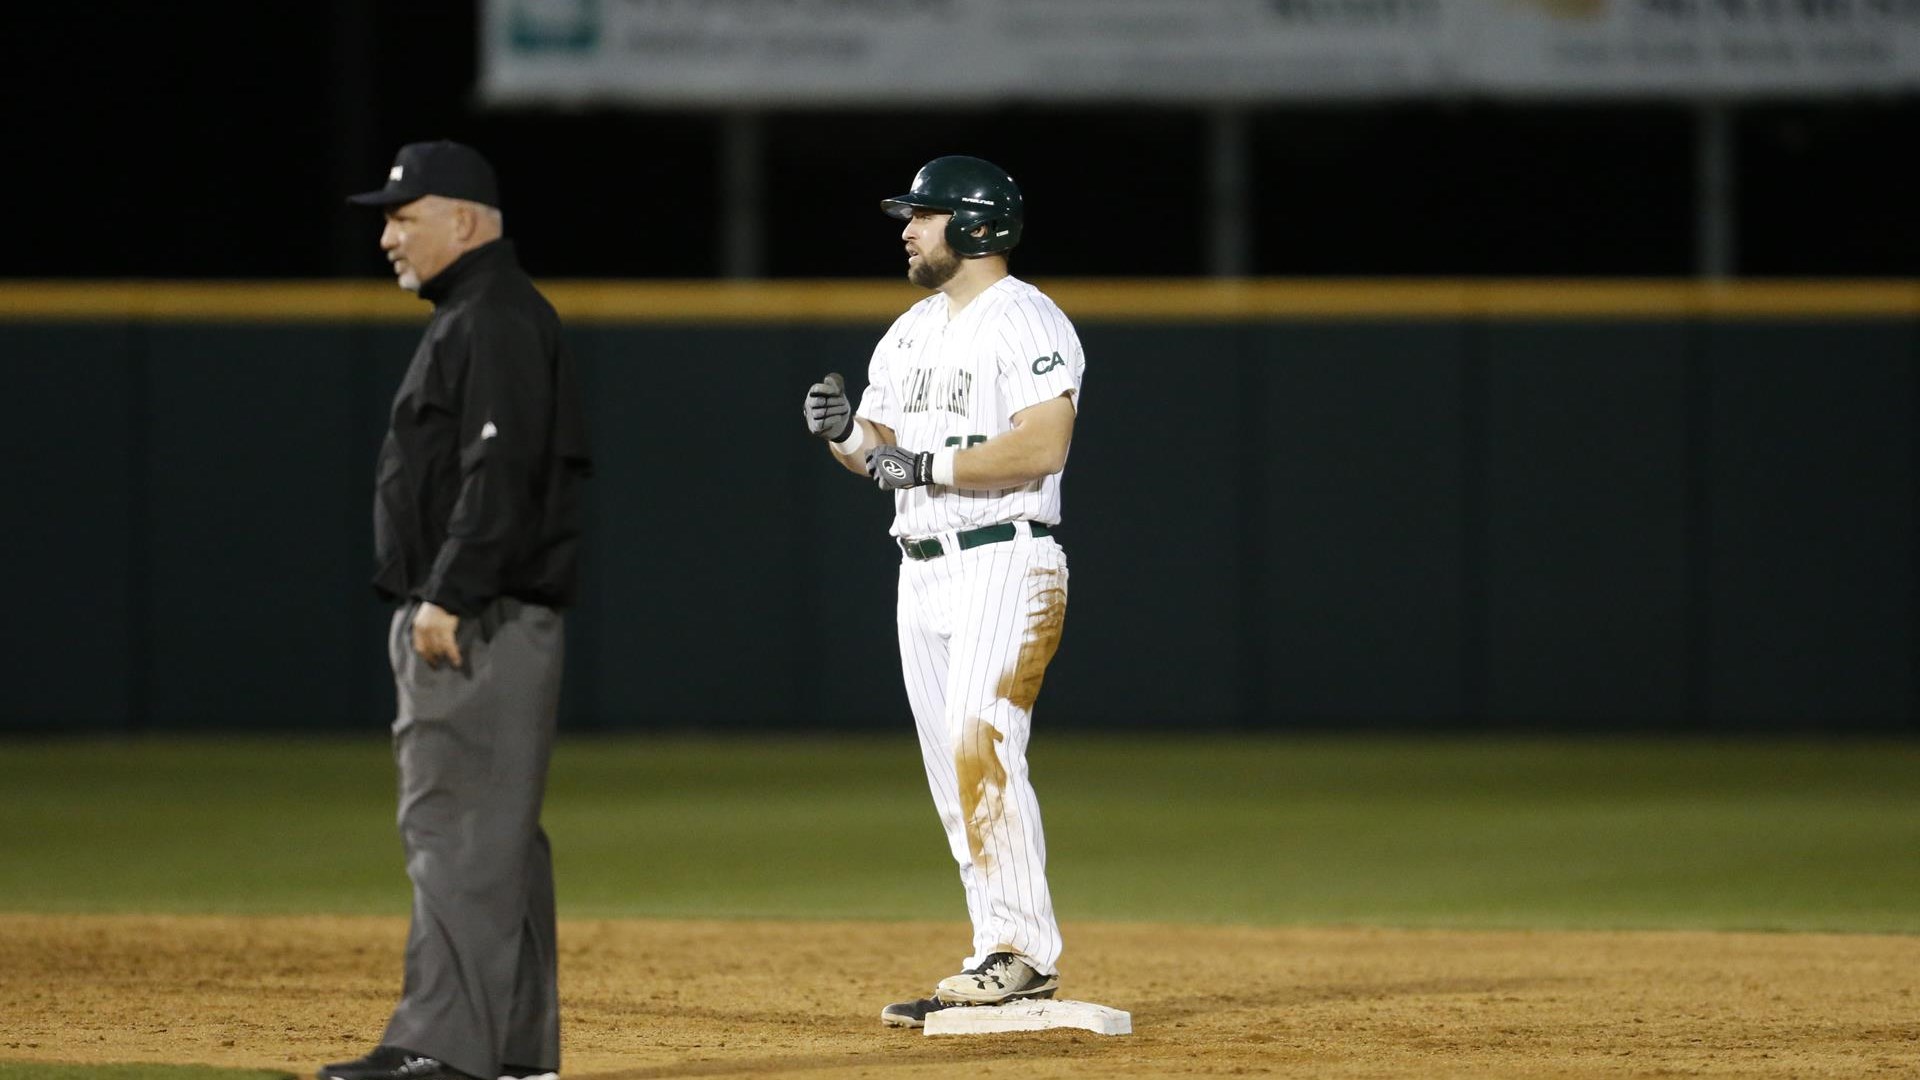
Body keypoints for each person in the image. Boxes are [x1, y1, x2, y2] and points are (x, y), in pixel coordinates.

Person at [321, 140, 591, 1080]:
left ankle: (440, 1047)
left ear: (465, 221)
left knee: (456, 830)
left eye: (405, 216)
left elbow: (498, 468)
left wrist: (448, 591)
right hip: (498, 611)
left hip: (477, 616)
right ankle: (512, 1051)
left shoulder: (490, 315)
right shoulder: (493, 312)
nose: (388, 236)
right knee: (496, 838)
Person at [803, 155, 1086, 1028]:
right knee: (950, 769)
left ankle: (1021, 953)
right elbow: (884, 454)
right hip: (921, 564)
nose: (908, 230)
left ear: (974, 225)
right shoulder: (911, 330)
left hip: (1006, 556)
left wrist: (920, 464)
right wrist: (849, 436)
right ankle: (995, 949)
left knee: (978, 739)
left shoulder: (1025, 316)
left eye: (923, 216)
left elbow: (1044, 444)